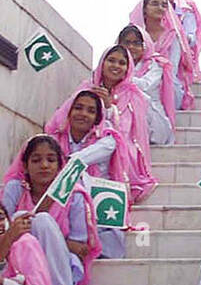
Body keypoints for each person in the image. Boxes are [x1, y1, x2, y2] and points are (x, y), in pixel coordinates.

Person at [45, 44, 158, 203]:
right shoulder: (87, 87)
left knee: (112, 139)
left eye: (122, 63)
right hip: (82, 138)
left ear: (128, 68)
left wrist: (108, 107)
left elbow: (125, 130)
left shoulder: (134, 94)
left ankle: (77, 162)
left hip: (120, 145)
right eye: (111, 60)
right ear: (102, 63)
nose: (116, 66)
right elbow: (65, 116)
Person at [0, 135, 103, 285]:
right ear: (25, 165)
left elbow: (80, 248)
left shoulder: (73, 195)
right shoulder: (15, 189)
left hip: (62, 264)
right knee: (23, 217)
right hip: (20, 258)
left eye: (51, 159)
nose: (44, 165)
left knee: (42, 221)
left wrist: (45, 234)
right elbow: (2, 234)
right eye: (36, 160)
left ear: (59, 166)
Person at [44, 91, 129, 256]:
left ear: (98, 117)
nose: (83, 114)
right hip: (60, 203)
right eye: (78, 108)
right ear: (69, 111)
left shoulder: (107, 138)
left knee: (77, 180)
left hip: (97, 205)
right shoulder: (54, 139)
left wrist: (65, 164)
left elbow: (76, 163)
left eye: (91, 111)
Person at [116, 24, 175, 145]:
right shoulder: (116, 65)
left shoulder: (154, 64)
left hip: (151, 119)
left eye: (136, 43)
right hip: (123, 117)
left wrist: (122, 76)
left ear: (144, 46)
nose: (131, 47)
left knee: (134, 97)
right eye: (126, 43)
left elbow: (146, 86)